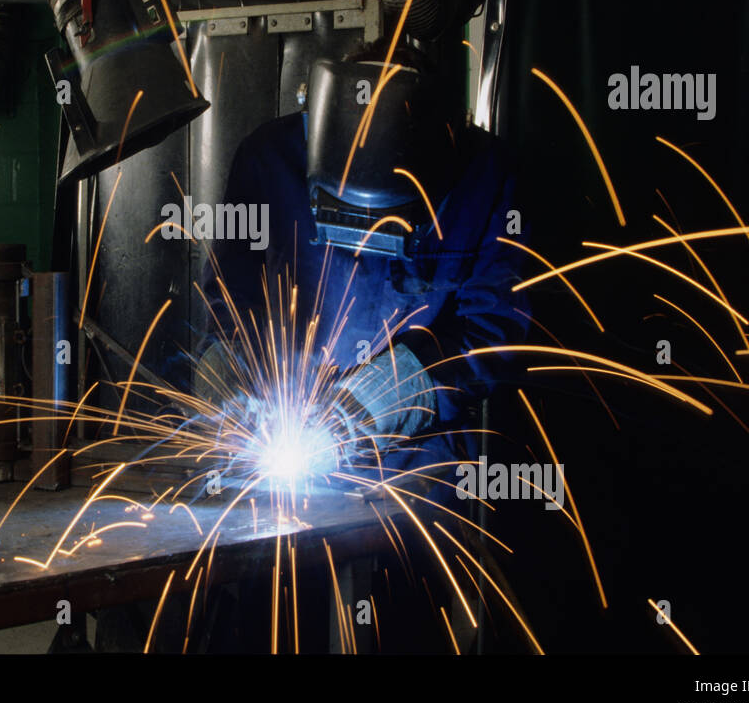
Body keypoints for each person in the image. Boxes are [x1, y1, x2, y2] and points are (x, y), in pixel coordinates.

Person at [195, 44, 532, 477]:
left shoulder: (487, 174)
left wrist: (382, 397)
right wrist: (226, 372)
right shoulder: (267, 157)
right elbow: (229, 289)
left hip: (416, 465)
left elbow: (494, 327)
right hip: (277, 431)